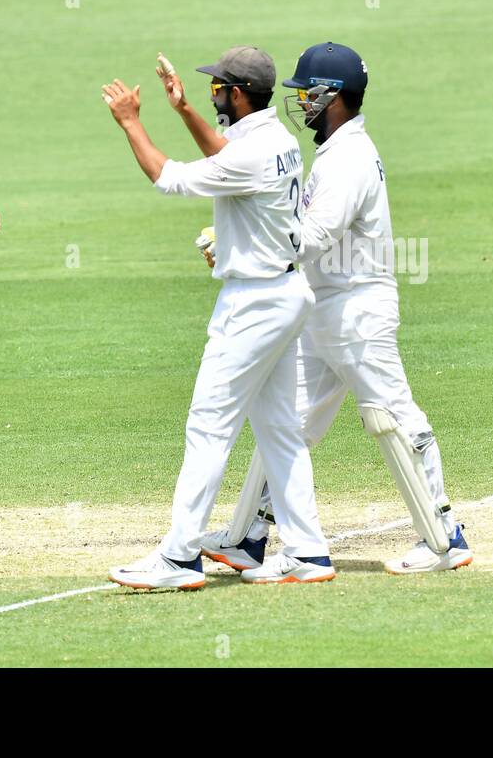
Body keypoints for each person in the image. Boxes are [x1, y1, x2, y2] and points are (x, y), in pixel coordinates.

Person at [198, 42, 472, 574]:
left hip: (356, 309)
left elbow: (314, 236)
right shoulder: (334, 152)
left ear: (335, 97)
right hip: (321, 307)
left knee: (391, 418)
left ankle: (444, 539)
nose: (301, 103)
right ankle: (248, 535)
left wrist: (246, 248)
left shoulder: (348, 158)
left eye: (308, 93)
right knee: (287, 423)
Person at [101, 46, 334, 589]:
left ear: (238, 93)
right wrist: (184, 112)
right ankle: (308, 552)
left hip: (252, 303)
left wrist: (131, 122)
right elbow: (226, 154)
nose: (212, 95)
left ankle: (179, 557)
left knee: (208, 427)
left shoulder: (254, 153)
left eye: (217, 88)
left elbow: (171, 178)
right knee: (279, 431)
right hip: (286, 292)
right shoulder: (277, 139)